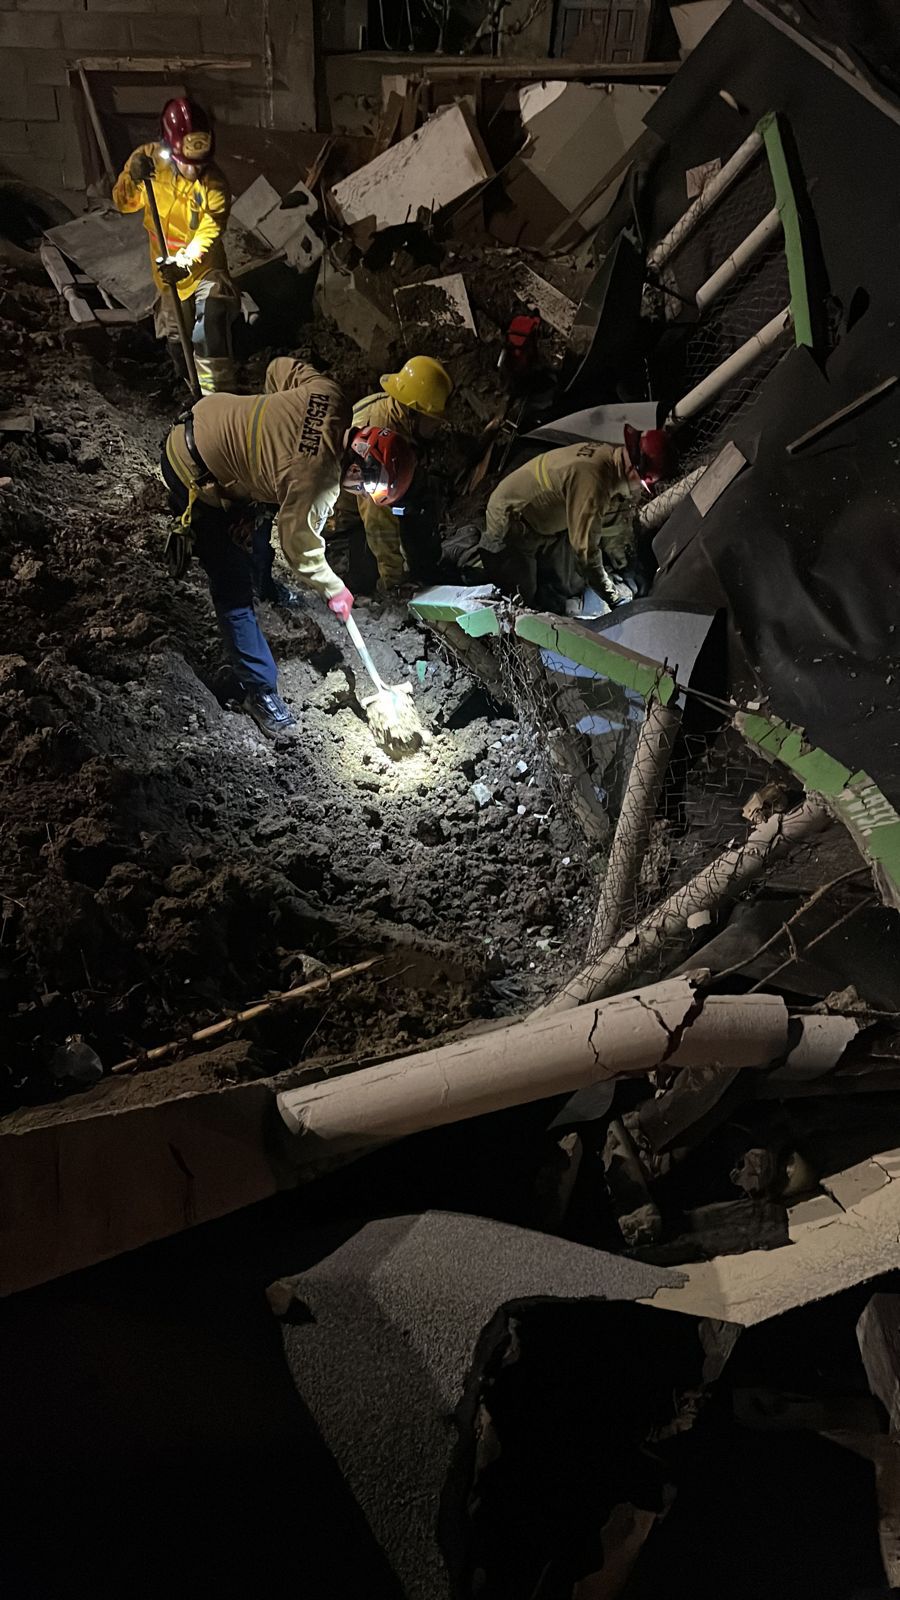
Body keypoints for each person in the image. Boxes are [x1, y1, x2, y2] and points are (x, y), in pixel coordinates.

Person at [160, 357, 416, 738]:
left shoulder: (331, 396)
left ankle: (265, 583)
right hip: (192, 466)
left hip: (211, 419)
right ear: (358, 468)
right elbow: (300, 549)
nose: (359, 494)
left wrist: (273, 435)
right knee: (231, 582)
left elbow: (279, 368)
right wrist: (335, 589)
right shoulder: (315, 482)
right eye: (365, 487)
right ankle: (258, 690)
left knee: (262, 511)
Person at [113, 97, 239, 394]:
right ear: (169, 148)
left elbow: (209, 230)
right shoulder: (149, 162)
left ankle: (218, 399)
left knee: (210, 326)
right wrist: (133, 177)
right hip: (167, 276)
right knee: (177, 342)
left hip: (203, 268)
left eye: (200, 164)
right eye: (185, 163)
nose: (193, 171)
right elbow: (123, 204)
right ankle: (191, 390)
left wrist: (184, 261)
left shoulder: (215, 186)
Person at [480, 425, 677, 613]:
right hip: (512, 521)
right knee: (524, 602)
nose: (640, 490)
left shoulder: (612, 461)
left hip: (545, 520)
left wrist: (624, 564)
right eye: (643, 484)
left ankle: (544, 572)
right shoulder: (593, 481)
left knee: (569, 584)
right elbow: (585, 553)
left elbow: (614, 522)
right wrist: (613, 597)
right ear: (636, 472)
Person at [333, 356, 453, 590]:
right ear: (414, 412)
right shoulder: (376, 449)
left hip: (363, 498)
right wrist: (394, 579)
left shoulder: (390, 408)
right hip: (343, 511)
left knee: (422, 492)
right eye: (434, 420)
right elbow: (378, 521)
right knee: (364, 573)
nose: (439, 426)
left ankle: (425, 565)